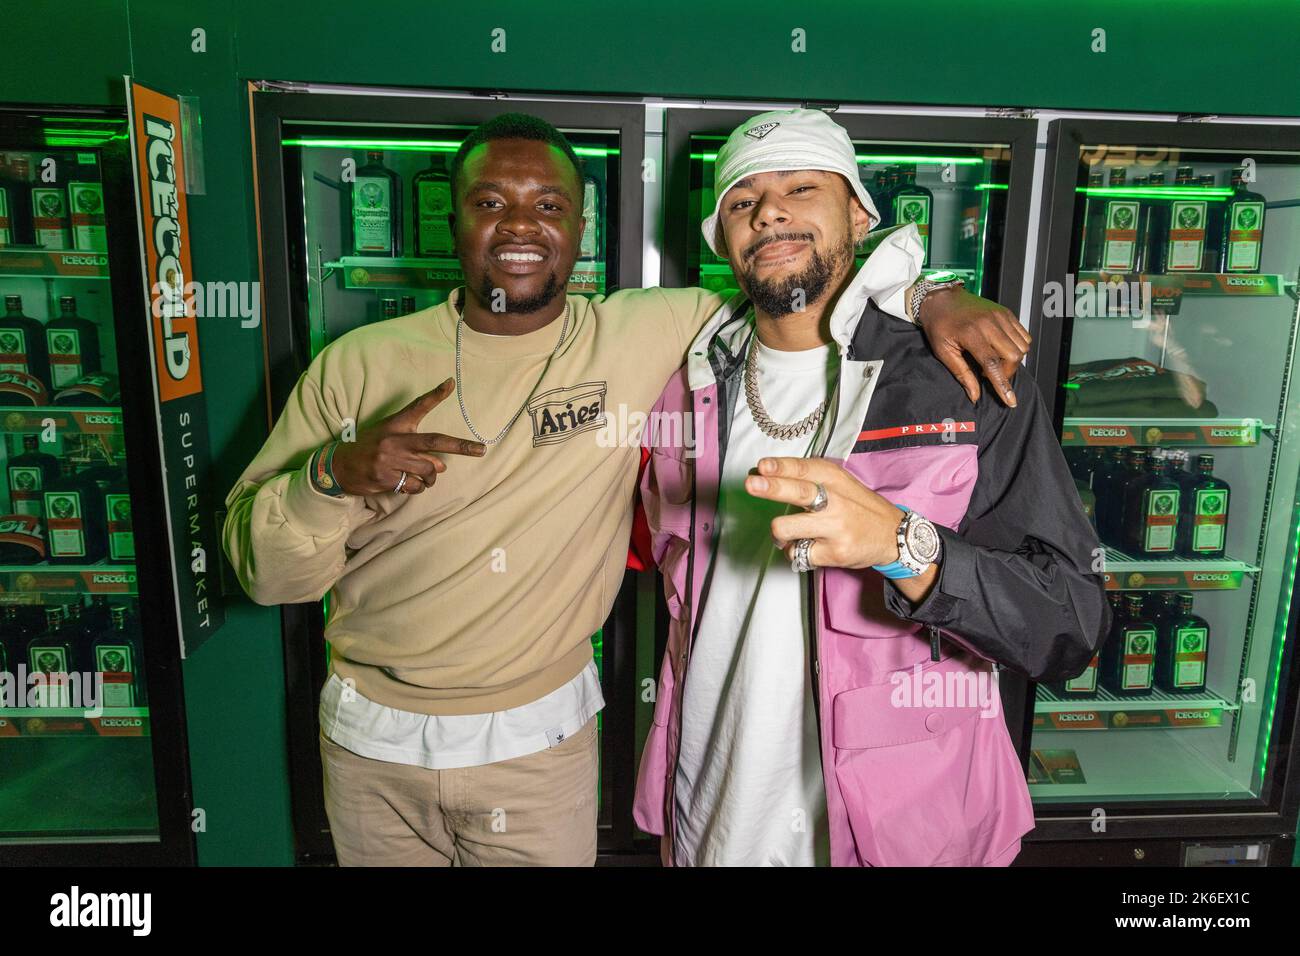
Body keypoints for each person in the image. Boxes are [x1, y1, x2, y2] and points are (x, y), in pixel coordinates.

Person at [223, 111, 1030, 867]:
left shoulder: (649, 332)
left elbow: (804, 276)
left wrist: (932, 297)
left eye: (548, 204)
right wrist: (333, 476)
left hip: (539, 749)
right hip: (373, 745)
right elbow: (266, 576)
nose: (518, 225)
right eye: (489, 202)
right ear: (453, 219)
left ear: (582, 228)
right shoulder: (357, 364)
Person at [631, 108, 1111, 867]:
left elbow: (1071, 625)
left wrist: (903, 546)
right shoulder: (681, 386)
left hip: (899, 837)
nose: (772, 212)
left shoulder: (960, 382)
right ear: (722, 239)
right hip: (712, 822)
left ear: (859, 215)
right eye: (742, 201)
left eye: (801, 188)